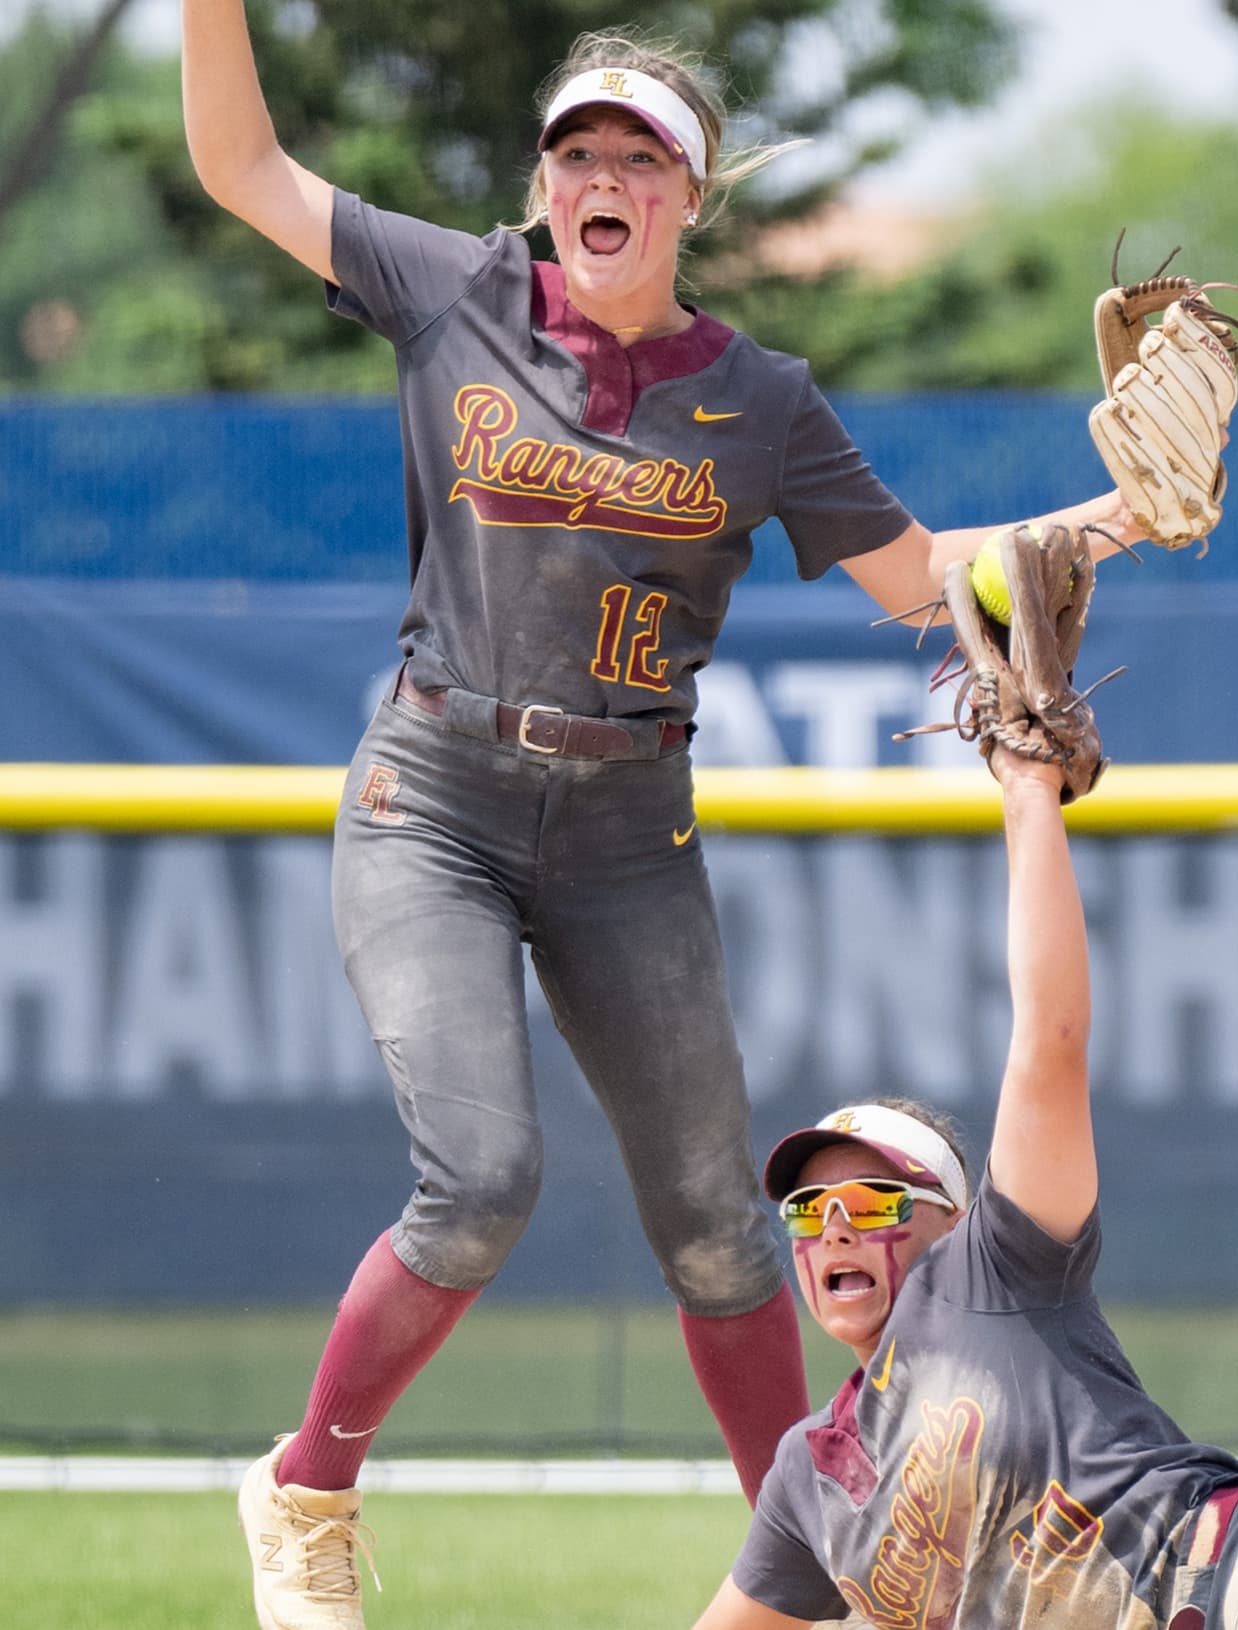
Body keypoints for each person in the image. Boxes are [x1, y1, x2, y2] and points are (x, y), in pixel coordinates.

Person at [178, 11, 1155, 1627]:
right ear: (545, 185)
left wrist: (1121, 514)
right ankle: (308, 1488)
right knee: (480, 1180)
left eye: (641, 157)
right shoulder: (457, 291)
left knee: (718, 1232)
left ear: (690, 197)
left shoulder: (757, 399)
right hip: (434, 798)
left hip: (629, 829)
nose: (603, 178)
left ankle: (822, 1582)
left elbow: (922, 578)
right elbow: (239, 165)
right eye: (578, 152)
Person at [693, 741, 1238, 1630]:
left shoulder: (995, 1270)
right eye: (809, 1211)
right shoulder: (809, 1479)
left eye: (875, 1202)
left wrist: (1028, 790)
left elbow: (1053, 1033)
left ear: (955, 1223)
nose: (836, 1227)